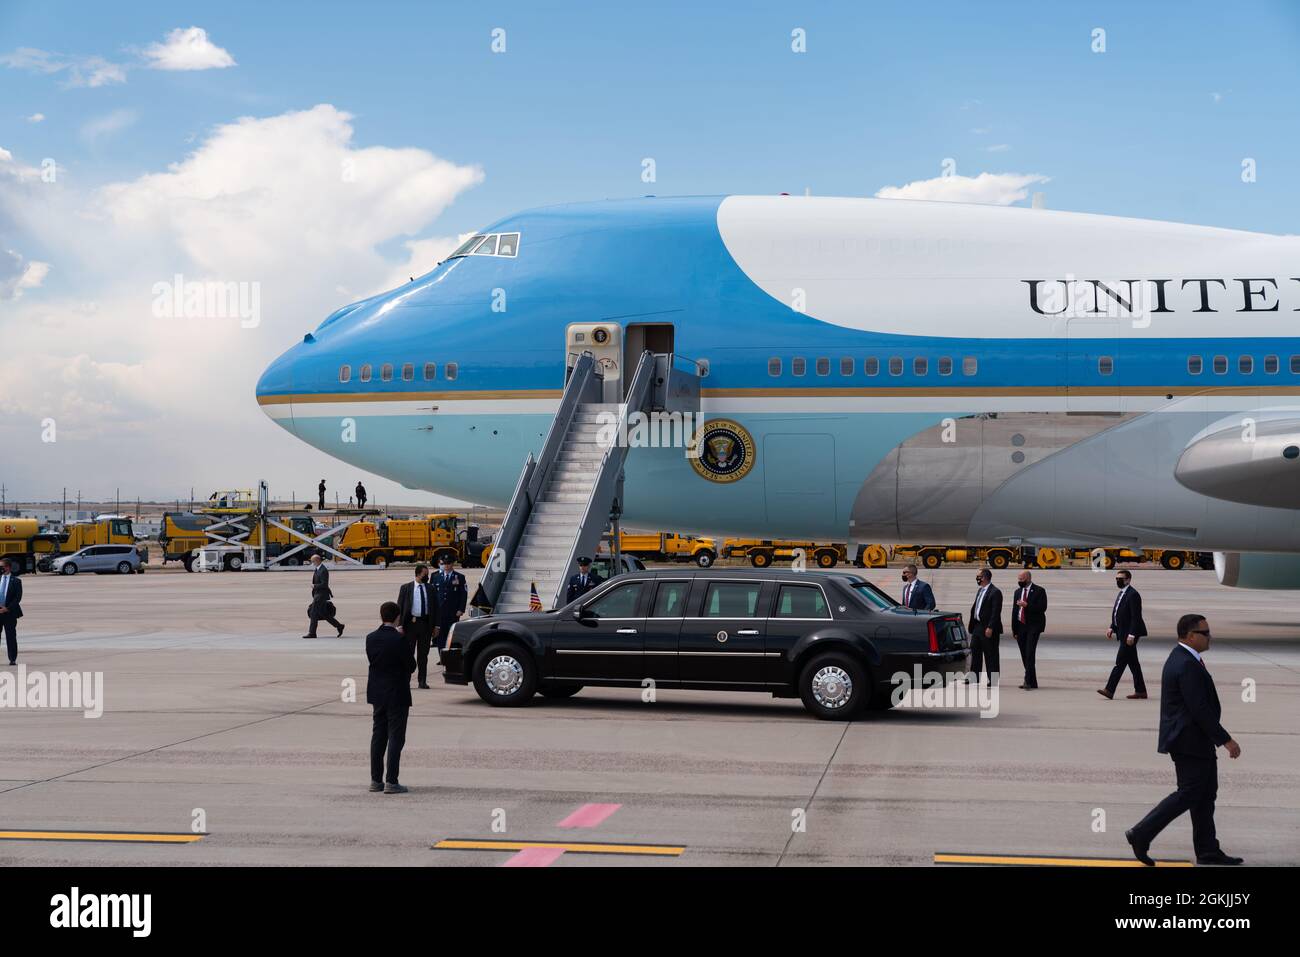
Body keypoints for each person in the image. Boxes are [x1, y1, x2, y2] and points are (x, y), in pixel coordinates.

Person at [1126, 614, 1243, 866]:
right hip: (1189, 740)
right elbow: (1199, 708)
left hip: (1193, 739)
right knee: (1189, 793)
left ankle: (1207, 850)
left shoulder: (1186, 659)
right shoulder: (1186, 664)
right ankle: (1141, 833)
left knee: (1205, 795)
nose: (1210, 636)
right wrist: (1226, 740)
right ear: (1190, 636)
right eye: (1205, 632)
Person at [367, 601, 415, 794]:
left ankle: (375, 780)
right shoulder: (399, 640)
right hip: (397, 693)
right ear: (397, 618)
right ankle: (391, 781)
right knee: (396, 737)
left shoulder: (371, 638)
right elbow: (411, 665)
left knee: (378, 736)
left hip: (377, 693)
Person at [1099, 569, 1148, 700]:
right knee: (1133, 664)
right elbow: (1119, 614)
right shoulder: (1122, 593)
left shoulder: (1133, 595)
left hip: (1129, 634)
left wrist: (1132, 635)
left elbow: (1135, 617)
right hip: (1123, 632)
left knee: (1120, 663)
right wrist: (1112, 627)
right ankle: (1141, 691)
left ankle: (1109, 690)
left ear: (1128, 580)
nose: (1118, 581)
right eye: (1116, 579)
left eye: (1120, 578)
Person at [397, 564, 436, 689]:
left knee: (423, 655)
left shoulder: (431, 588)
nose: (427, 576)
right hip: (410, 625)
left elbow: (436, 609)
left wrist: (437, 626)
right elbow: (400, 608)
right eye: (425, 574)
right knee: (408, 654)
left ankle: (422, 681)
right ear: (418, 574)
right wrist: (399, 625)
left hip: (425, 625)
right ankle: (406, 680)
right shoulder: (406, 588)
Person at [1010, 570, 1047, 689]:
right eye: (1018, 579)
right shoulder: (1017, 592)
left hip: (1033, 626)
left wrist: (1027, 605)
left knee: (1030, 653)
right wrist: (1014, 630)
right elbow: (1014, 611)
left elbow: (1042, 608)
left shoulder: (1039, 591)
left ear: (1028, 578)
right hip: (1021, 626)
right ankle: (1033, 681)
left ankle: (1027, 680)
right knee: (1024, 654)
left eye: (1022, 579)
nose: (1019, 581)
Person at [966, 567, 1002, 685]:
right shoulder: (980, 590)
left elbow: (995, 611)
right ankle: (974, 677)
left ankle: (993, 679)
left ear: (985, 578)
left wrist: (990, 627)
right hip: (977, 626)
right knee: (975, 652)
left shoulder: (995, 592)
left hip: (988, 627)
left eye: (979, 577)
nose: (977, 578)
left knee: (991, 654)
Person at [303, 554, 345, 639]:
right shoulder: (318, 569)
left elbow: (324, 584)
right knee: (323, 614)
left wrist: (314, 586)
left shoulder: (323, 570)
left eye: (313, 561)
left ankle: (312, 633)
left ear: (317, 561)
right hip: (318, 594)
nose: (312, 563)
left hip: (321, 595)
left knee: (313, 613)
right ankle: (339, 626)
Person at [432, 554, 467, 645]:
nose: (446, 566)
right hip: (440, 612)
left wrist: (461, 609)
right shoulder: (436, 577)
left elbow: (463, 594)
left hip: (453, 611)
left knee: (451, 635)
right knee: (440, 637)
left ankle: (450, 656)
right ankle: (442, 656)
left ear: (452, 564)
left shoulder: (459, 577)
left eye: (448, 563)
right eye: (444, 564)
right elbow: (433, 595)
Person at [0, 558, 22, 666]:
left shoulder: (16, 581)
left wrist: (7, 608)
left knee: (11, 636)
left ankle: (12, 658)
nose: (1, 568)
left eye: (2, 566)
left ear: (8, 567)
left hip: (9, 613)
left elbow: (17, 598)